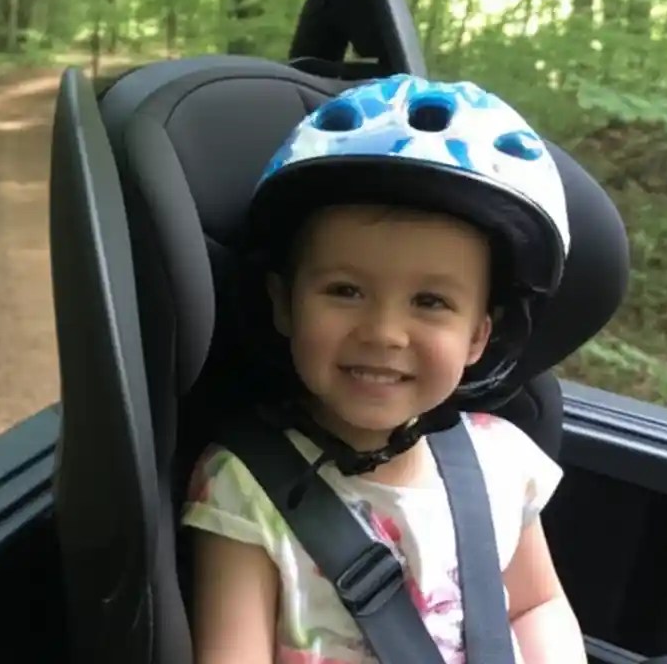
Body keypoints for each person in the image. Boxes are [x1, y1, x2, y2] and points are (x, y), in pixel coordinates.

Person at [181, 74, 587, 664]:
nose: (383, 333)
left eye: (430, 302)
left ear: (479, 335)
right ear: (283, 303)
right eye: (345, 290)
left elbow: (534, 605)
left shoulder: (501, 461)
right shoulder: (242, 488)